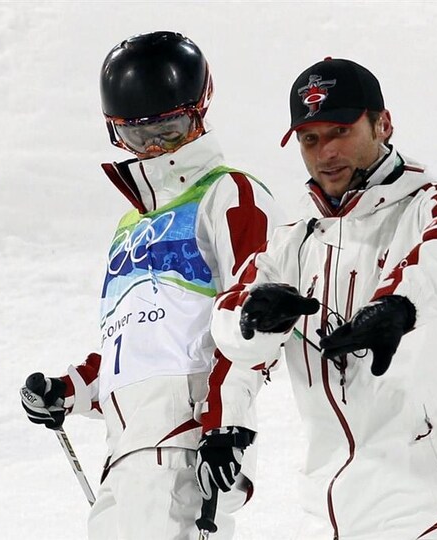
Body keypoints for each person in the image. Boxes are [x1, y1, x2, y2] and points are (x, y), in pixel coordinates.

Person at [203, 57, 437, 539]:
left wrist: (399, 306)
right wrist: (250, 321)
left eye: (340, 130)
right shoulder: (293, 241)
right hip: (330, 508)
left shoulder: (431, 206)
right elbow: (231, 323)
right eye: (310, 139)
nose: (326, 153)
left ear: (382, 124)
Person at [19, 31, 281, 540]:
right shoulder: (130, 227)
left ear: (200, 110)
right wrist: (71, 391)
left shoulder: (230, 195)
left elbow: (257, 321)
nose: (157, 146)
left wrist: (228, 426)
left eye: (172, 127)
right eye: (139, 137)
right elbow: (142, 351)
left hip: (185, 449)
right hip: (124, 456)